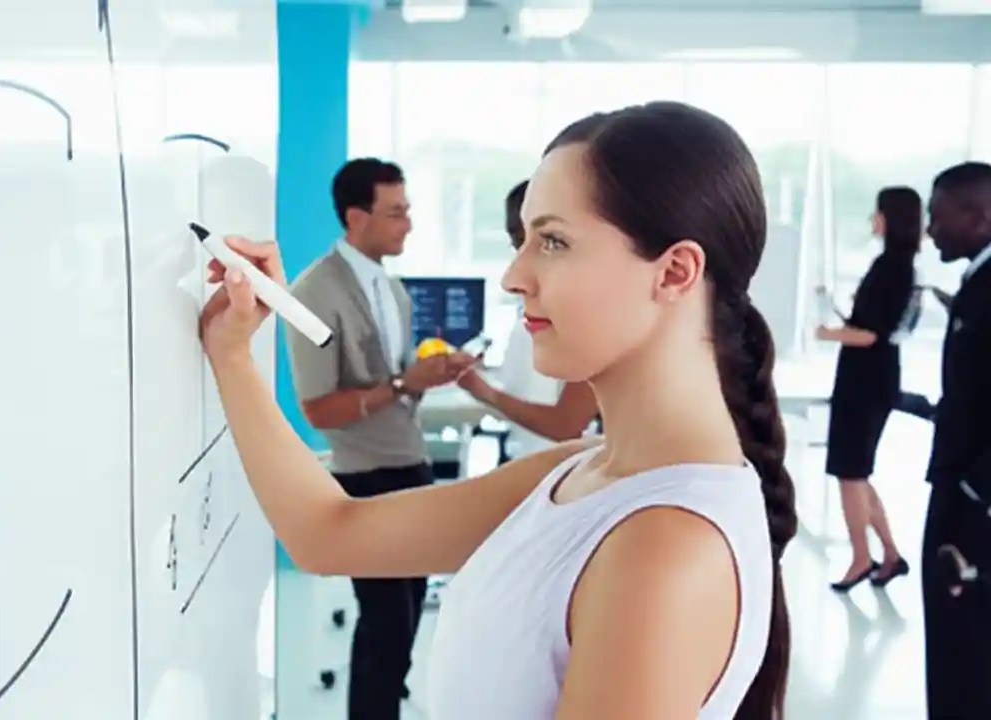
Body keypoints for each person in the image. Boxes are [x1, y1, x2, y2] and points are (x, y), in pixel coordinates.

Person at [199, 102, 795, 718]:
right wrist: (232, 354)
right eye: (525, 241)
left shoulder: (666, 547)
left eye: (554, 242)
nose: (513, 276)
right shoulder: (582, 470)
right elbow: (328, 536)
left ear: (674, 272)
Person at [282, 157, 463, 719]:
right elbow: (319, 409)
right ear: (356, 217)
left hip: (411, 465)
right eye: (396, 213)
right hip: (367, 475)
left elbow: (397, 383)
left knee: (406, 617)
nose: (407, 224)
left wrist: (425, 379)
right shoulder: (314, 293)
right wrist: (405, 382)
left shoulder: (394, 289)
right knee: (387, 622)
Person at [815, 186, 922, 592]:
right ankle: (890, 556)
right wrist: (843, 319)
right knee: (856, 472)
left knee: (850, 472)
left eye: (877, 213)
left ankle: (861, 559)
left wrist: (829, 333)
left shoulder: (894, 267)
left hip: (867, 380)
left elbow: (871, 335)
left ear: (891, 218)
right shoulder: (894, 264)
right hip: (868, 377)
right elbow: (873, 322)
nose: (872, 220)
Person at [920, 160, 991, 719]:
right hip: (959, 484)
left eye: (937, 216)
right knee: (950, 642)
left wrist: (974, 492)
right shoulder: (976, 282)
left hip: (975, 504)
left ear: (980, 215)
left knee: (964, 646)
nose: (929, 230)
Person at [457, 180, 600, 459]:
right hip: (527, 459)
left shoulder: (588, 312)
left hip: (560, 468)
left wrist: (486, 392)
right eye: (518, 243)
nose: (513, 277)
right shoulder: (532, 304)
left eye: (546, 243)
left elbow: (567, 424)